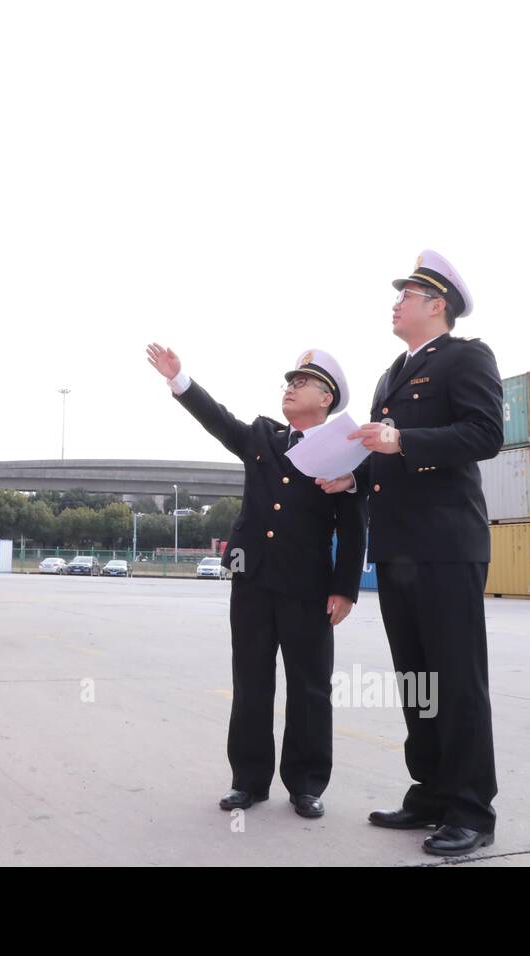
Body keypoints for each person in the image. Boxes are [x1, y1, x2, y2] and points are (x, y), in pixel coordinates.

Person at [318, 250, 503, 856]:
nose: (395, 302)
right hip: (397, 550)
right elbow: (386, 455)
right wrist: (354, 479)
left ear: (437, 304)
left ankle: (471, 810)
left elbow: (485, 434)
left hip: (447, 547)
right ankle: (429, 792)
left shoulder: (466, 357)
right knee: (418, 678)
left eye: (407, 294)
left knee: (458, 678)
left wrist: (404, 439)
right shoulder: (390, 374)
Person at [147, 343, 367, 818]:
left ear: (326, 398)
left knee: (310, 687)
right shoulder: (263, 436)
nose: (290, 387)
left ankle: (306, 784)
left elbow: (353, 526)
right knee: (251, 682)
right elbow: (219, 421)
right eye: (288, 381)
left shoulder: (344, 453)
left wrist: (344, 588)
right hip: (251, 579)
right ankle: (248, 780)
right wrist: (179, 380)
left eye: (301, 382)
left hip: (308, 588)